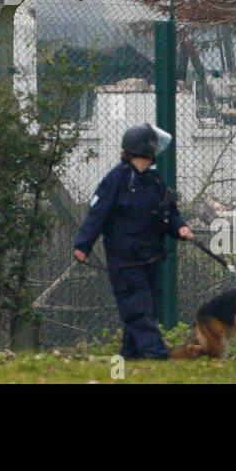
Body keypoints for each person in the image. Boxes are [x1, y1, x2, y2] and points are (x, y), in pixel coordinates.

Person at [73, 123, 192, 360]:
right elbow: (97, 215)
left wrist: (180, 227)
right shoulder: (116, 180)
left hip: (150, 257)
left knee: (148, 308)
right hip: (124, 260)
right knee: (138, 309)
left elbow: (167, 211)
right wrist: (82, 245)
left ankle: (130, 358)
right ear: (144, 150)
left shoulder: (154, 181)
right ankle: (158, 356)